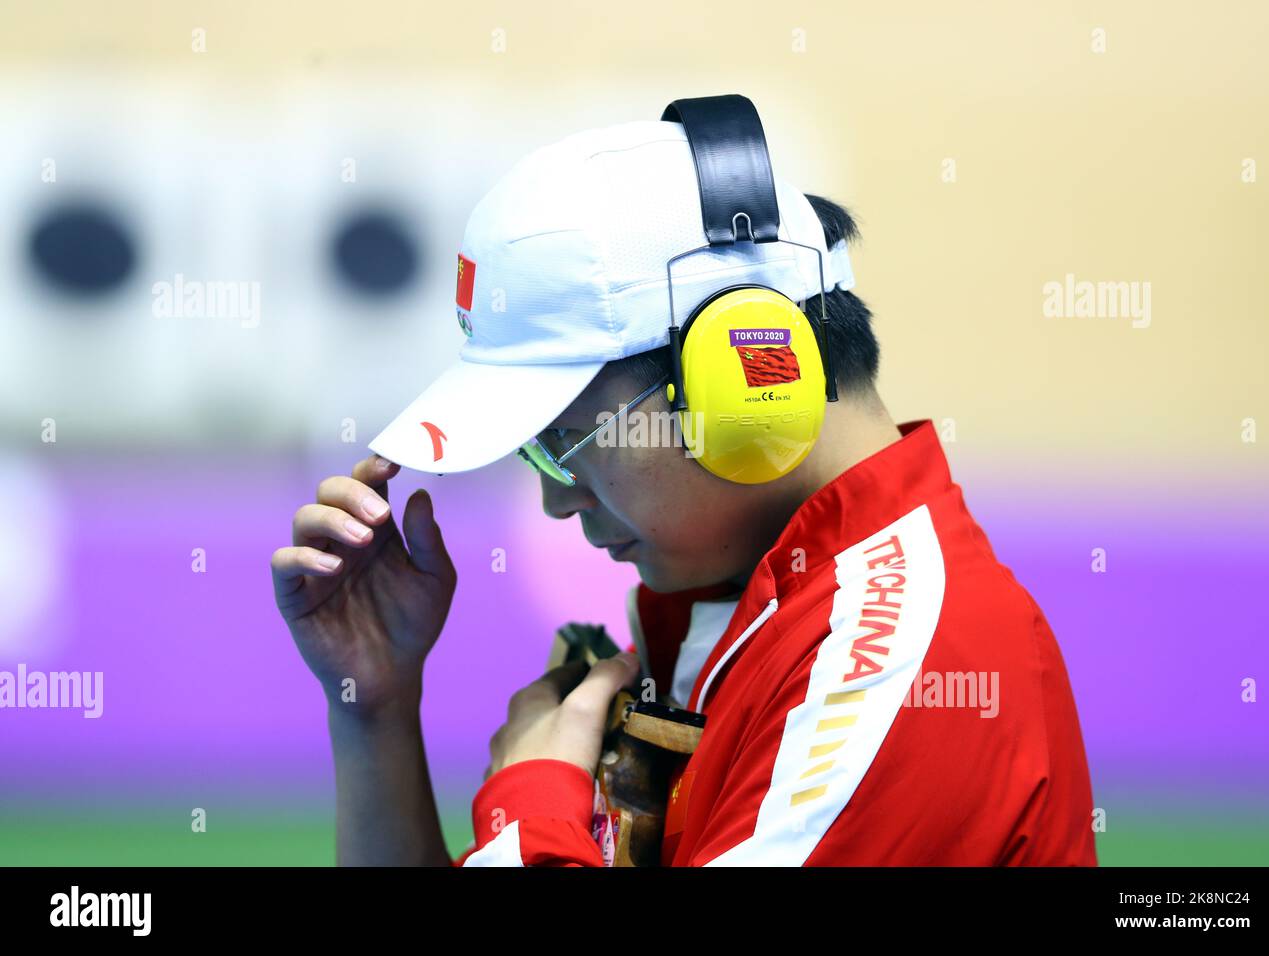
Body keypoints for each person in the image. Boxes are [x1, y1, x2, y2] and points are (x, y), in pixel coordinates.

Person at [271, 95, 1097, 866]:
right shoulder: (759, 607)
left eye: (567, 438)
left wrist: (530, 811)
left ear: (742, 372)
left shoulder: (892, 666)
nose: (558, 499)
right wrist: (373, 710)